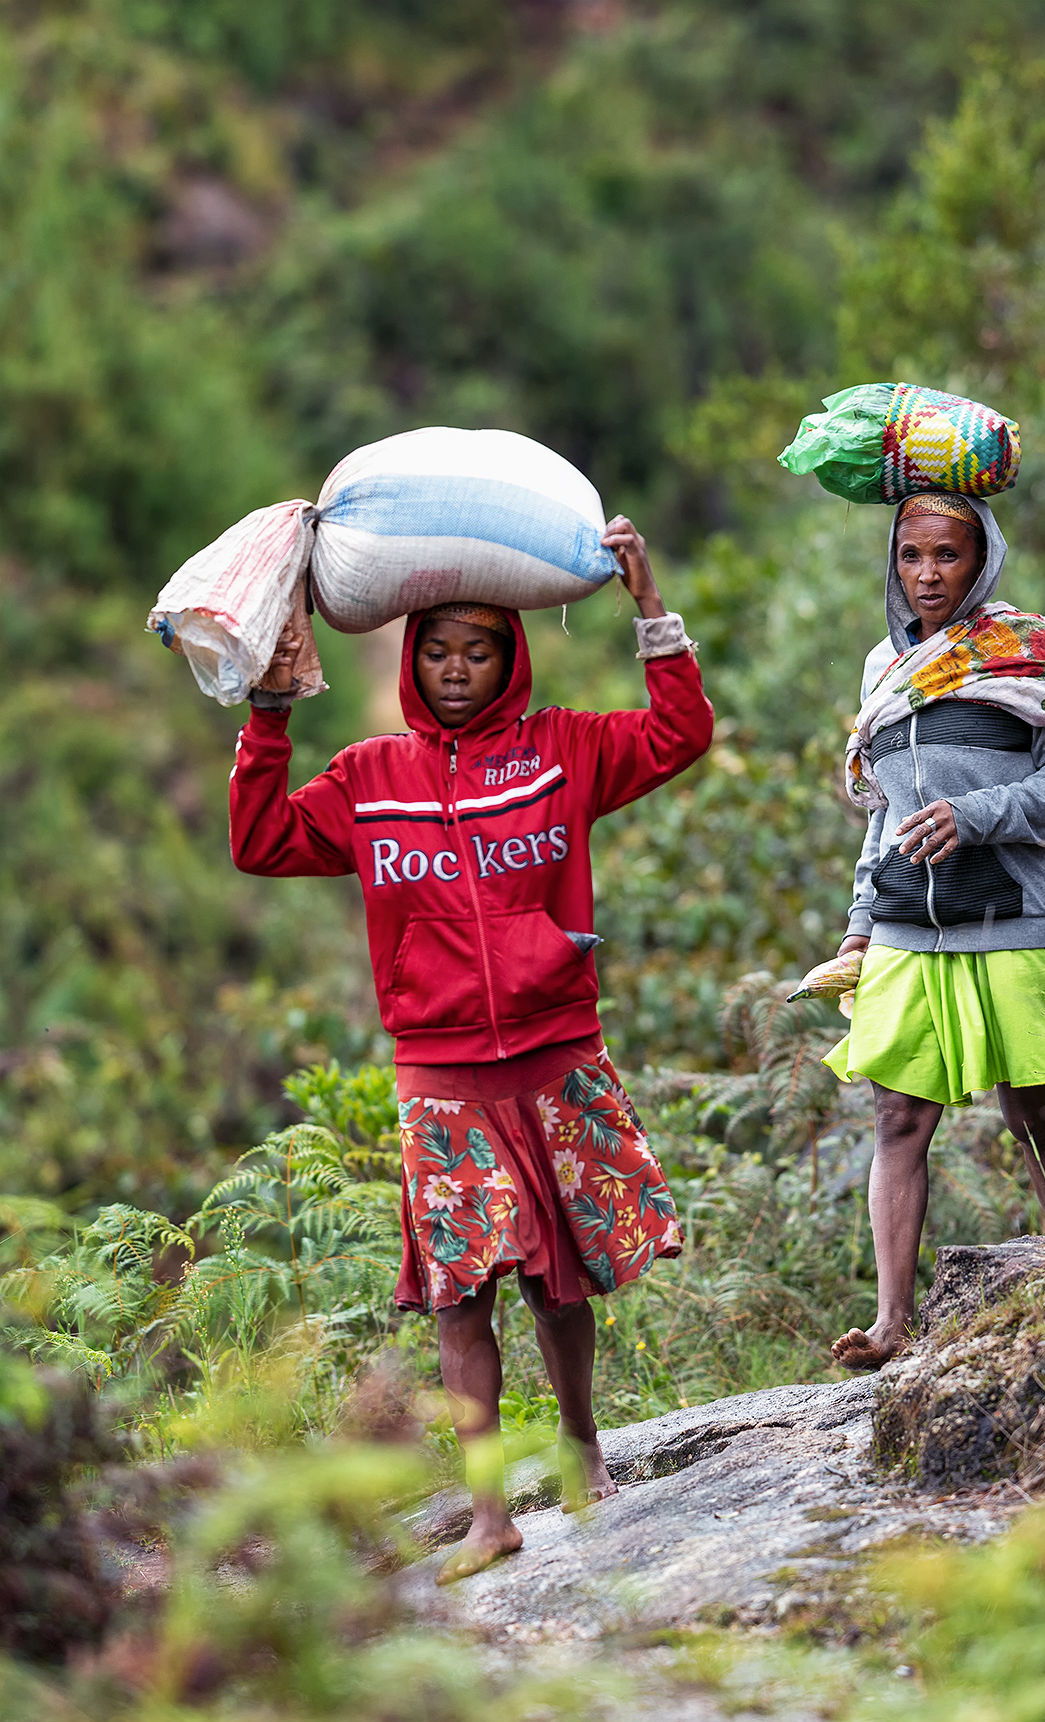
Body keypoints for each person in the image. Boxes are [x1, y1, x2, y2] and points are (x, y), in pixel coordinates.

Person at [229, 520, 714, 1577]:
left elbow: (677, 737)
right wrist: (270, 708)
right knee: (461, 1287)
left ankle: (582, 1443)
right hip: (441, 1072)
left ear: (511, 655)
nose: (456, 670)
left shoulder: (564, 750)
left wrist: (648, 606)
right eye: (438, 649)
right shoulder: (367, 777)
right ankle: (490, 1508)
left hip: (552, 1051)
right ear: (412, 657)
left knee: (559, 1282)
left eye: (479, 650)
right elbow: (260, 841)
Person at [824, 492, 1045, 1372]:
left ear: (983, 557)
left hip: (1014, 913)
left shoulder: (1027, 650)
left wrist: (976, 812)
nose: (928, 574)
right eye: (911, 555)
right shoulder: (882, 666)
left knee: (1032, 1108)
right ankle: (891, 1324)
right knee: (896, 1119)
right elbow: (882, 816)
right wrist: (858, 928)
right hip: (904, 923)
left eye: (948, 555)